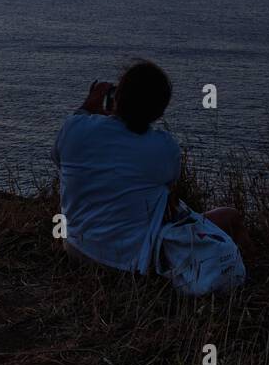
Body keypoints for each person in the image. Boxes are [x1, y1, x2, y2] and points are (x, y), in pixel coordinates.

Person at [51, 60, 245, 291]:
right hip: (129, 264)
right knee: (231, 217)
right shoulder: (163, 147)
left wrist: (88, 106)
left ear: (116, 96)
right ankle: (247, 280)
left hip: (77, 249)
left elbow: (60, 159)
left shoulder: (75, 128)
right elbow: (169, 192)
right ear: (159, 111)